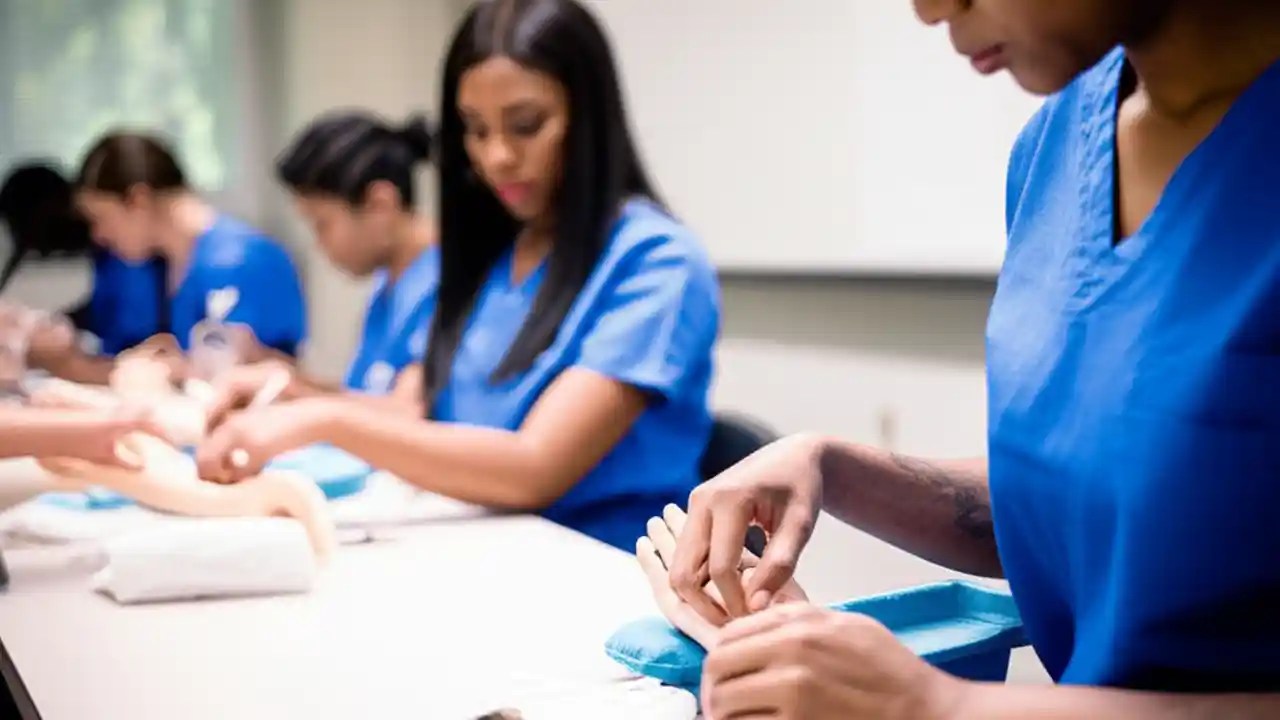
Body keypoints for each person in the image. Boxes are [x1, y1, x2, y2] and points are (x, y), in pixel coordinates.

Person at [663, 1, 1280, 718]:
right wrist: (834, 465)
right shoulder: (1055, 146)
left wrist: (941, 707)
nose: (929, 9)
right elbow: (1116, 508)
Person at [196, 0, 721, 553]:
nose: (496, 157)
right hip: (483, 550)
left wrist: (322, 417)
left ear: (589, 117)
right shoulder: (493, 255)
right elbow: (415, 417)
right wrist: (290, 393)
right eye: (474, 130)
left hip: (601, 572)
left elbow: (534, 468)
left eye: (526, 125)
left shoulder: (655, 262)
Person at [205, 111, 439, 413]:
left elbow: (403, 414)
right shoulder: (391, 282)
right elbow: (365, 398)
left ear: (381, 204)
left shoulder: (447, 284)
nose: (318, 244)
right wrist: (281, 376)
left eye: (322, 224)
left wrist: (296, 392)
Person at [29, 132, 307, 385]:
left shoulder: (237, 261)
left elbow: (232, 377)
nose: (99, 235)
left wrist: (76, 368)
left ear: (138, 200)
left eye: (100, 219)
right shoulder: (163, 264)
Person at [0, 162, 170, 363]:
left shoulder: (129, 259)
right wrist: (52, 324)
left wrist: (62, 360)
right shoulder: (105, 261)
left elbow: (140, 349)